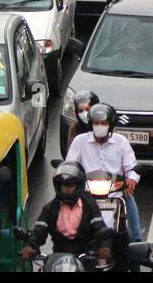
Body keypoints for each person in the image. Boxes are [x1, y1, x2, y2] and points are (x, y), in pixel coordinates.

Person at [66, 104, 143, 245]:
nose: (100, 126)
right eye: (96, 123)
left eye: (103, 123)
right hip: (86, 194)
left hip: (115, 193)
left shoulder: (121, 142)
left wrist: (131, 179)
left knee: (128, 197)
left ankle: (136, 240)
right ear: (91, 124)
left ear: (110, 125)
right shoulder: (80, 141)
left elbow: (131, 167)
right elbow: (70, 166)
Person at [22, 162, 112, 265]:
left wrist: (104, 246)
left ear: (78, 185)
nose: (67, 190)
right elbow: (39, 231)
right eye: (63, 186)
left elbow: (99, 228)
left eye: (71, 186)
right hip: (58, 259)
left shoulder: (90, 206)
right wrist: (30, 246)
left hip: (85, 258)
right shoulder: (50, 208)